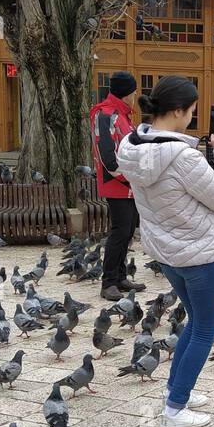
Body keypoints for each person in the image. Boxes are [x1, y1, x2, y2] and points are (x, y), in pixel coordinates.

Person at [115, 75, 214, 427]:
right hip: (199, 253)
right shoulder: (183, 157)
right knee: (204, 328)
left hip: (167, 254)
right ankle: (174, 409)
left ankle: (176, 388)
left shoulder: (133, 147)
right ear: (179, 110)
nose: (193, 118)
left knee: (195, 321)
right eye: (192, 112)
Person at [91, 71, 147, 302]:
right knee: (120, 232)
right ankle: (109, 282)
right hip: (117, 183)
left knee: (127, 231)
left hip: (130, 183)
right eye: (133, 92)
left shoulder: (122, 115)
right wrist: (130, 177)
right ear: (127, 94)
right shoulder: (105, 115)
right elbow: (107, 157)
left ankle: (121, 276)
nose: (135, 96)